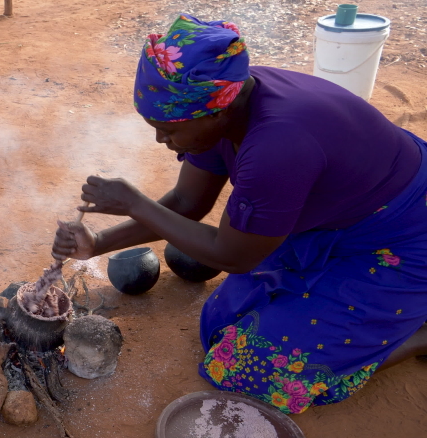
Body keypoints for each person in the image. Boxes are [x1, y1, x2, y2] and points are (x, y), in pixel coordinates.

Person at [52, 14, 427, 414]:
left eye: (169, 130)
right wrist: (98, 243)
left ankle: (415, 334)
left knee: (251, 368)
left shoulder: (277, 146)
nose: (161, 139)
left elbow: (233, 256)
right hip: (337, 220)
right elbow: (186, 202)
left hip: (403, 238)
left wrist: (135, 202)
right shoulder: (226, 98)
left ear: (214, 113)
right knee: (219, 324)